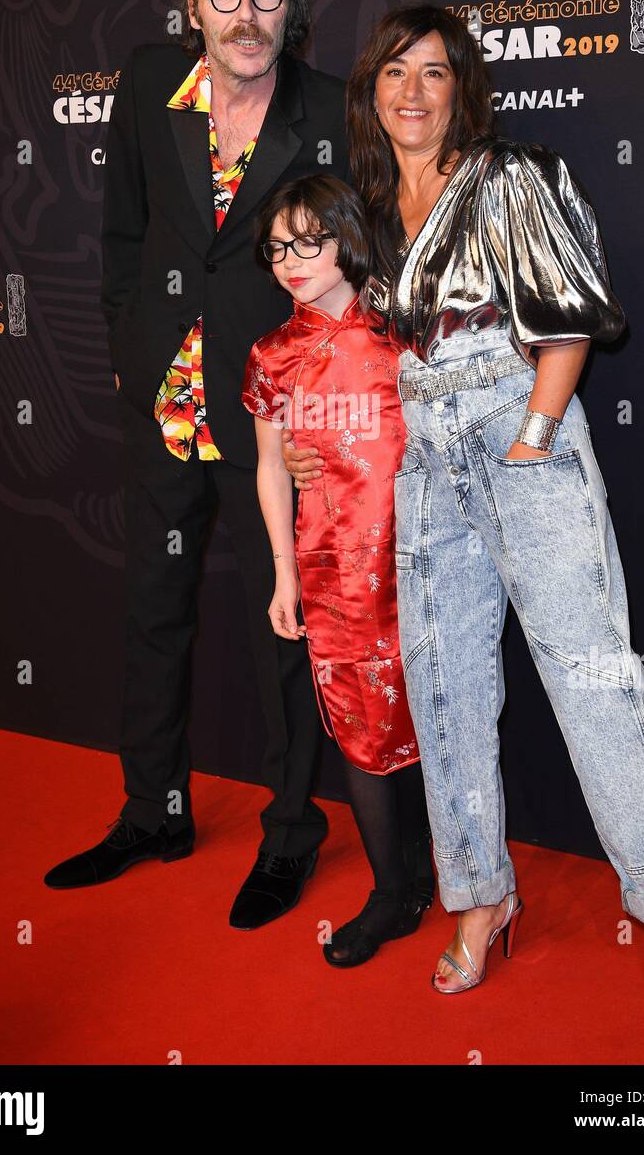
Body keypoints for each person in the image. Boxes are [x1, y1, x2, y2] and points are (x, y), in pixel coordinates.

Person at [282, 4, 644, 1048]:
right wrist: (314, 444)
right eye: (394, 72)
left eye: (434, 73)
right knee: (443, 686)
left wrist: (531, 433)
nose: (412, 92)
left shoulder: (507, 175)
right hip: (424, 455)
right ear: (370, 92)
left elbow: (567, 312)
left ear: (461, 90)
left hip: (514, 428)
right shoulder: (375, 203)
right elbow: (351, 343)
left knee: (594, 679)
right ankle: (479, 895)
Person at [45, 0, 351, 931]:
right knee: (152, 610)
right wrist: (130, 349)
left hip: (268, 414)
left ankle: (286, 838)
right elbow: (122, 231)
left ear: (288, 4)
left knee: (281, 629)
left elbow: (352, 263)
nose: (245, 13)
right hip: (164, 398)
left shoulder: (330, 108)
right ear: (193, 7)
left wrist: (317, 385)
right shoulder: (145, 88)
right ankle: (153, 813)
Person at [240, 174, 435, 966]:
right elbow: (266, 469)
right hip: (333, 581)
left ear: (347, 236)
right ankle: (391, 892)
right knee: (360, 740)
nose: (291, 260)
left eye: (308, 241)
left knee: (440, 731)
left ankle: (452, 881)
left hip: (423, 568)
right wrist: (285, 576)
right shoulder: (270, 355)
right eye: (277, 247)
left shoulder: (406, 332)